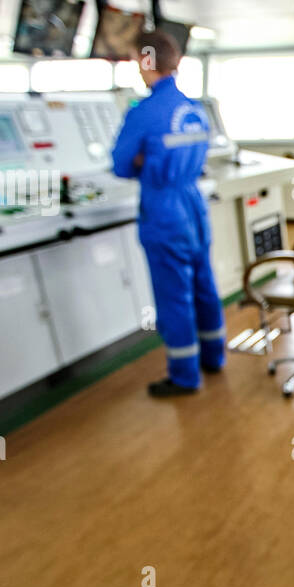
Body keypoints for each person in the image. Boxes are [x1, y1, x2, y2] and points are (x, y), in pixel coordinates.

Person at [111, 30, 225, 397]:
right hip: (194, 206)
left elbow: (121, 164)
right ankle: (214, 357)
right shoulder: (194, 108)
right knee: (203, 284)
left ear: (146, 63)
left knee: (174, 293)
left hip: (164, 209)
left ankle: (184, 375)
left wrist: (146, 161)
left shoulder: (144, 113)